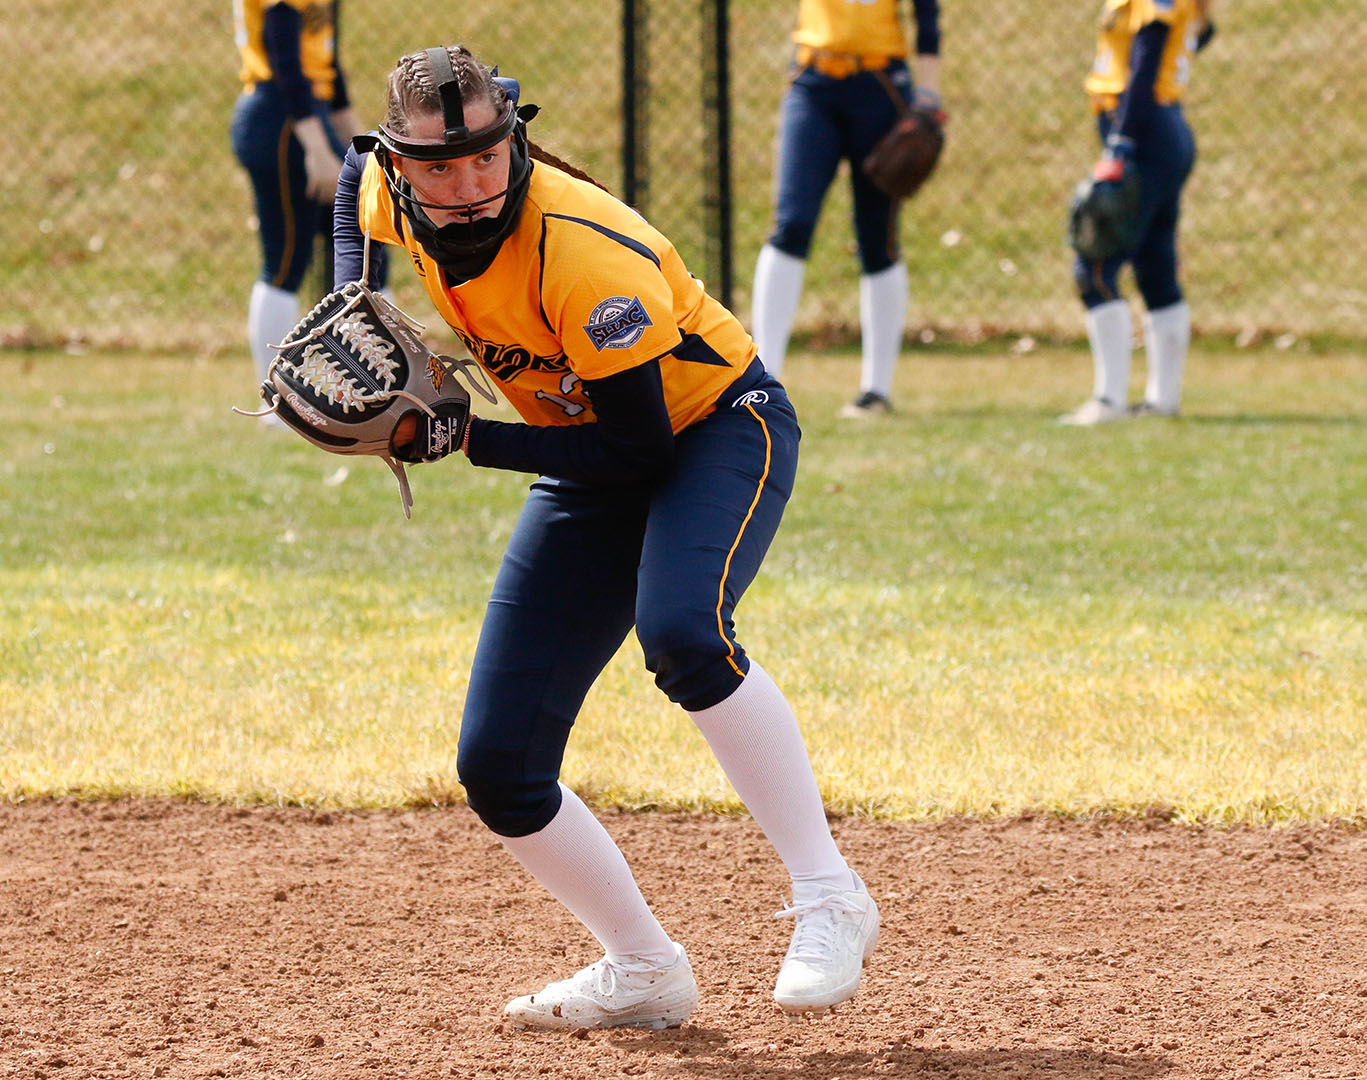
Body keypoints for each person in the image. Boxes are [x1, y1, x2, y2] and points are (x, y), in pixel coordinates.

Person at [327, 45, 880, 1030]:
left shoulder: (583, 252)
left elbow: (634, 448)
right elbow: (347, 187)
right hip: (592, 450)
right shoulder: (390, 186)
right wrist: (349, 295)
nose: (467, 187)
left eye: (489, 159)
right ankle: (643, 968)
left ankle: (831, 893)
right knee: (499, 768)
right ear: (401, 165)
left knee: (683, 633)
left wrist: (461, 437)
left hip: (715, 427)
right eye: (439, 168)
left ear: (517, 142)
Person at [749, 0, 944, 419]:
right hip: (813, 77)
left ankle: (876, 389)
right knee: (791, 226)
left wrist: (928, 91)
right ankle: (761, 381)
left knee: (877, 238)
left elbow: (926, 13)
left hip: (880, 83)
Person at [1061, 0, 1215, 425]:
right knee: (1154, 265)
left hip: (1144, 133)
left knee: (1094, 265)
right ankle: (1161, 400)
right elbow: (1200, 34)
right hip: (1163, 128)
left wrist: (1122, 142)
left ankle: (1108, 401)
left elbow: (1146, 58)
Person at [231, 0, 383, 401]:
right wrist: (317, 149)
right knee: (286, 261)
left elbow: (328, 69)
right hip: (281, 119)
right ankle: (277, 399)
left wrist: (361, 147)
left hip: (307, 113)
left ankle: (367, 386)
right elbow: (286, 65)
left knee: (364, 244)